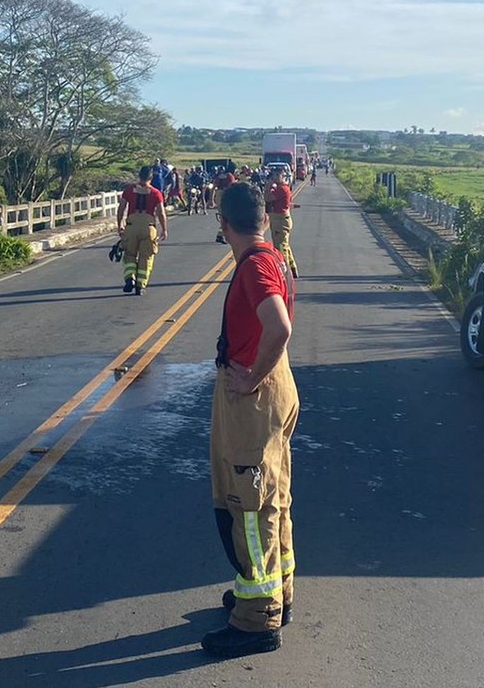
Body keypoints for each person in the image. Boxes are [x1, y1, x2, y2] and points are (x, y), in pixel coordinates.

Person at [203, 182, 299, 659]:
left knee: (248, 504)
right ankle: (275, 592)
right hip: (276, 389)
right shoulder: (273, 255)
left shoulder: (255, 266)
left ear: (225, 224)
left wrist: (249, 379)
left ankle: (257, 619)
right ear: (263, 218)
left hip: (255, 396)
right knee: (274, 495)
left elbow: (279, 325)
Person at [117, 165, 169, 295]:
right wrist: (164, 229)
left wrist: (120, 225)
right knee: (146, 257)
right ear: (151, 178)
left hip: (131, 225)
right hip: (148, 227)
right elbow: (161, 213)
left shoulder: (129, 191)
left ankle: (130, 278)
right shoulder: (156, 193)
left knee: (129, 254)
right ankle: (140, 285)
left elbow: (121, 208)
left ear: (139, 176)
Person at [265, 167, 299, 278]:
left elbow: (267, 197)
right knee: (285, 246)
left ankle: (285, 272)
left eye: (276, 175)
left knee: (280, 247)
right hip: (280, 219)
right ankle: (292, 268)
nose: (274, 178)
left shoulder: (281, 189)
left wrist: (268, 185)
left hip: (280, 220)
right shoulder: (281, 188)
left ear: (282, 176)